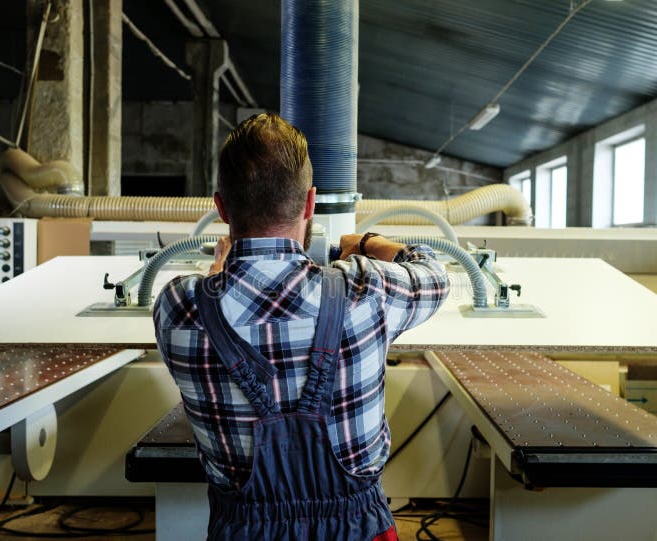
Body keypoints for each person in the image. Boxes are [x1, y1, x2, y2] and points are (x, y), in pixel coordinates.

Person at [153, 113, 449, 540]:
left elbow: (211, 300)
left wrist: (216, 271)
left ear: (221, 207)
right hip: (357, 529)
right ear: (310, 203)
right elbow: (436, 275)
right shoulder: (365, 291)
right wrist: (366, 245)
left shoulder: (180, 308)